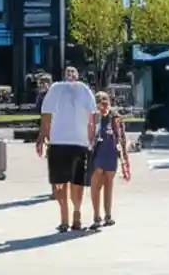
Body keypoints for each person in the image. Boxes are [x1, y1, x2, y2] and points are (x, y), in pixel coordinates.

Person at [36, 66, 96, 232]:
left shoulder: (83, 89)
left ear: (77, 75)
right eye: (68, 72)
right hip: (59, 141)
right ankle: (65, 217)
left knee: (77, 182)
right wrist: (42, 136)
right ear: (63, 76)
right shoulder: (55, 89)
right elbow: (46, 115)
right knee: (60, 183)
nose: (70, 75)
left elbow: (92, 116)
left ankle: (76, 214)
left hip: (78, 142)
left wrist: (92, 137)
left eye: (73, 72)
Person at [89, 91, 132, 230]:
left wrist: (124, 157)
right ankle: (96, 215)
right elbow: (89, 135)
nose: (103, 102)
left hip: (111, 153)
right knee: (96, 185)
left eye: (105, 99)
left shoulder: (115, 117)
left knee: (109, 184)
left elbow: (122, 137)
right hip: (97, 153)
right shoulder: (93, 117)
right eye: (100, 100)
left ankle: (108, 215)